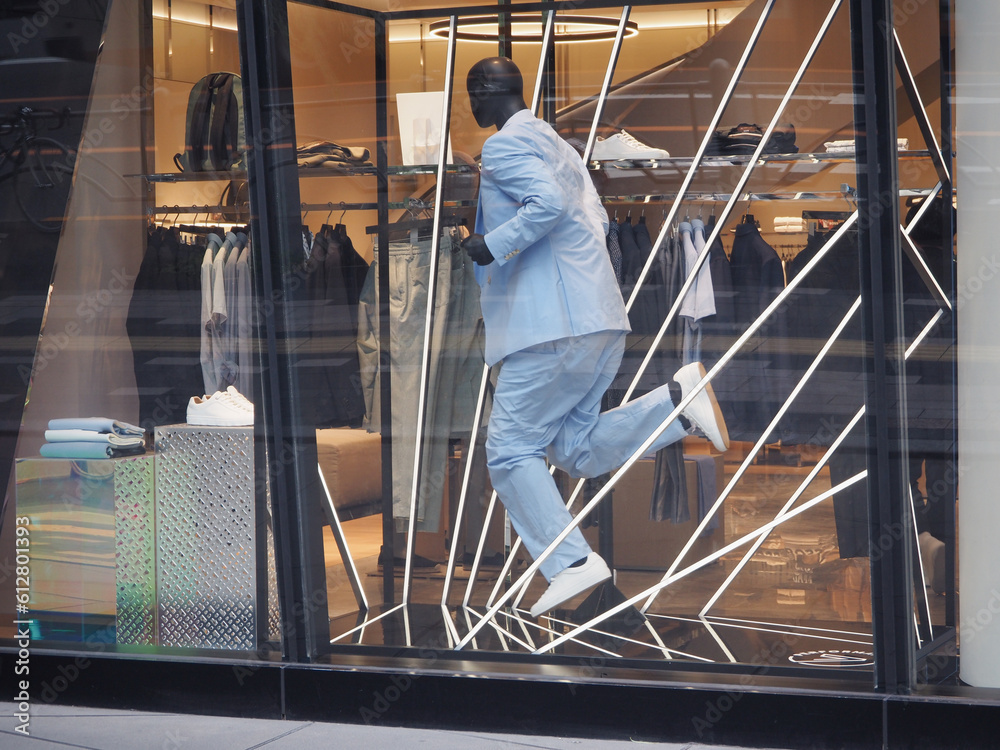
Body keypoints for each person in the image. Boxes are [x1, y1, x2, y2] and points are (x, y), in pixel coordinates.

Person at [461, 57, 730, 618]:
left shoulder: (503, 147)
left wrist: (492, 243)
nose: (469, 103)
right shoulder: (561, 147)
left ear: (486, 92)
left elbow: (548, 207)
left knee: (510, 452)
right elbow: (596, 221)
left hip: (549, 327)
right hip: (597, 319)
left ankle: (570, 563)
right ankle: (676, 408)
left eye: (471, 91)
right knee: (575, 450)